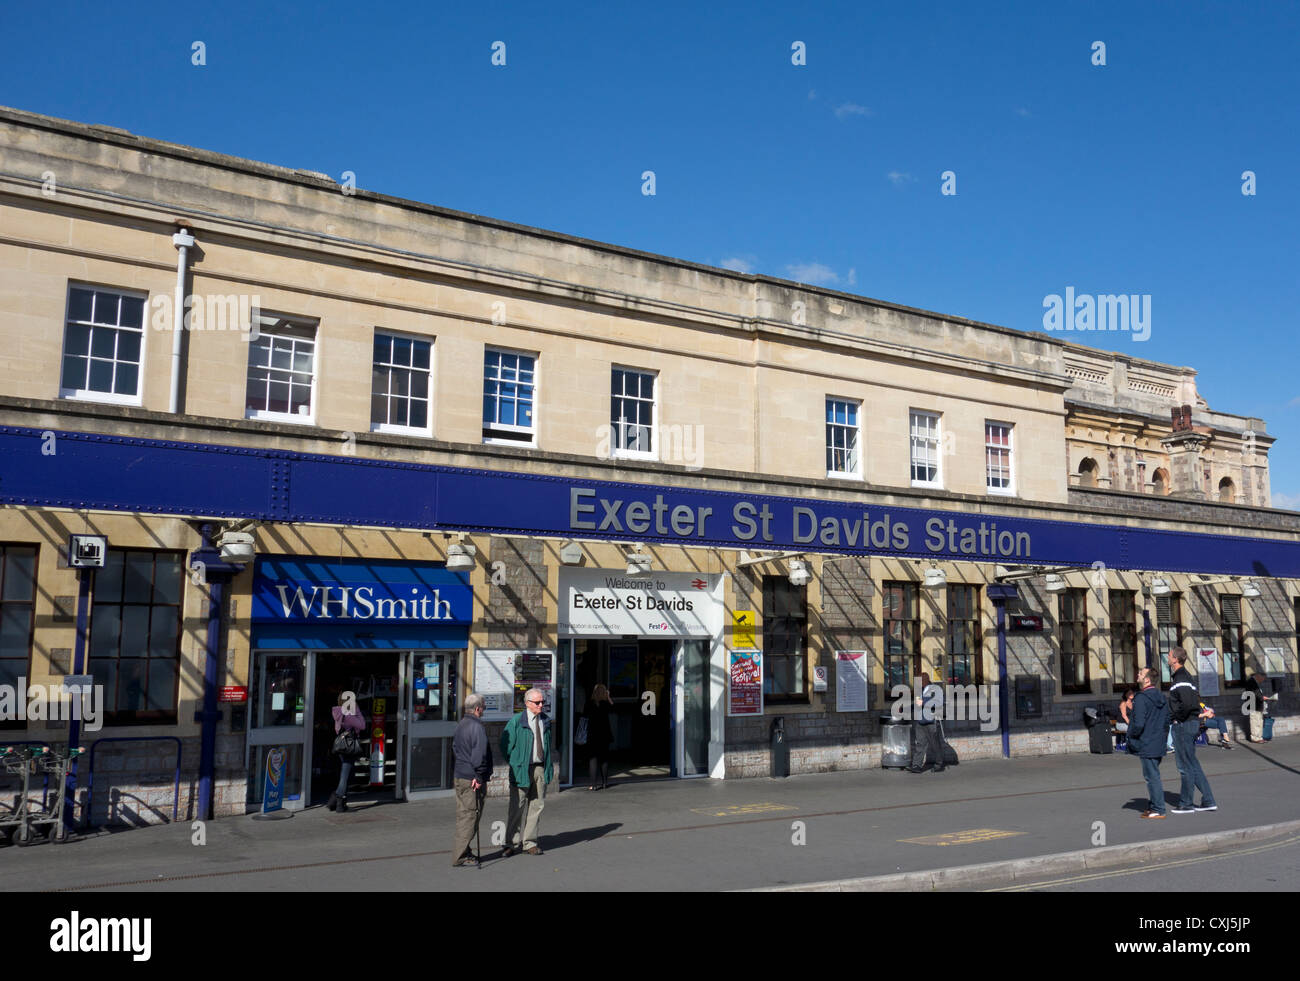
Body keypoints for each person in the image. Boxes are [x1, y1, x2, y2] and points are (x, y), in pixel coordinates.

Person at [500, 687, 552, 856]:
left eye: (542, 701)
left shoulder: (545, 721)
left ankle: (530, 842)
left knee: (537, 805)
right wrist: (515, 763)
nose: (541, 705)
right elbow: (505, 746)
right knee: (517, 807)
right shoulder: (516, 721)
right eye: (537, 702)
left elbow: (548, 746)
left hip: (539, 767)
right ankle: (510, 843)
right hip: (521, 769)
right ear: (528, 703)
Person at [1166, 650, 1216, 814]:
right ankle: (1208, 800)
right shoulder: (1184, 677)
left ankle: (1186, 803)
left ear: (1175, 659)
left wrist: (1176, 718)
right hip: (1189, 723)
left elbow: (1188, 704)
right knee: (1192, 763)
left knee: (1184, 765)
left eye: (1169, 655)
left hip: (1184, 725)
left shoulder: (1180, 678)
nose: (1167, 657)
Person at [451, 693, 493, 867]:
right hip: (471, 778)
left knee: (464, 814)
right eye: (483, 707)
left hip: (461, 775)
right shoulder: (477, 727)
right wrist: (478, 776)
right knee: (469, 817)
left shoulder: (461, 724)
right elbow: (479, 756)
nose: (484, 710)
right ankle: (460, 855)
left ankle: (465, 850)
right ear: (477, 709)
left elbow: (456, 749)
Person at [1128, 667, 1170, 819]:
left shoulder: (1141, 698)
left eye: (1140, 673)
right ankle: (1154, 806)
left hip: (1146, 742)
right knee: (1153, 774)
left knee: (1152, 777)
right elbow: (1167, 720)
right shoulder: (1161, 696)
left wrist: (1132, 735)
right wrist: (1162, 736)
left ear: (1147, 679)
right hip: (1158, 741)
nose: (1137, 674)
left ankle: (1159, 808)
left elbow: (1138, 723)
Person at [329, 691, 366, 813]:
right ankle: (338, 801)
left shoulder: (338, 712)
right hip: (349, 747)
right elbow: (362, 725)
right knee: (345, 776)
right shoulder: (349, 715)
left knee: (346, 774)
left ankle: (339, 802)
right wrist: (358, 711)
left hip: (341, 747)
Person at [907, 672, 946, 774]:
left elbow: (939, 704)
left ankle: (939, 764)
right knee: (920, 744)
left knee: (934, 744)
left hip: (932, 721)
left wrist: (924, 703)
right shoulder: (920, 691)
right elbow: (916, 704)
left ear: (924, 680)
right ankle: (916, 766)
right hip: (921, 721)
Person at [583, 683, 614, 790]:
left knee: (593, 760)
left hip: (592, 734)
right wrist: (608, 697)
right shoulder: (606, 703)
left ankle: (593, 784)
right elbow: (613, 707)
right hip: (604, 735)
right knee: (604, 759)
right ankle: (605, 783)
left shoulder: (589, 703)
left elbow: (584, 716)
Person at [1243, 669, 1278, 743]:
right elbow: (1255, 693)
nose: (1263, 680)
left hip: (1258, 705)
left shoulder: (1254, 682)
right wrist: (1262, 697)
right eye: (1263, 678)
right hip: (1253, 705)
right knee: (1255, 721)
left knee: (1259, 721)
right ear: (1258, 676)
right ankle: (1255, 738)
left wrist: (1262, 697)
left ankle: (1259, 737)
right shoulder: (1251, 682)